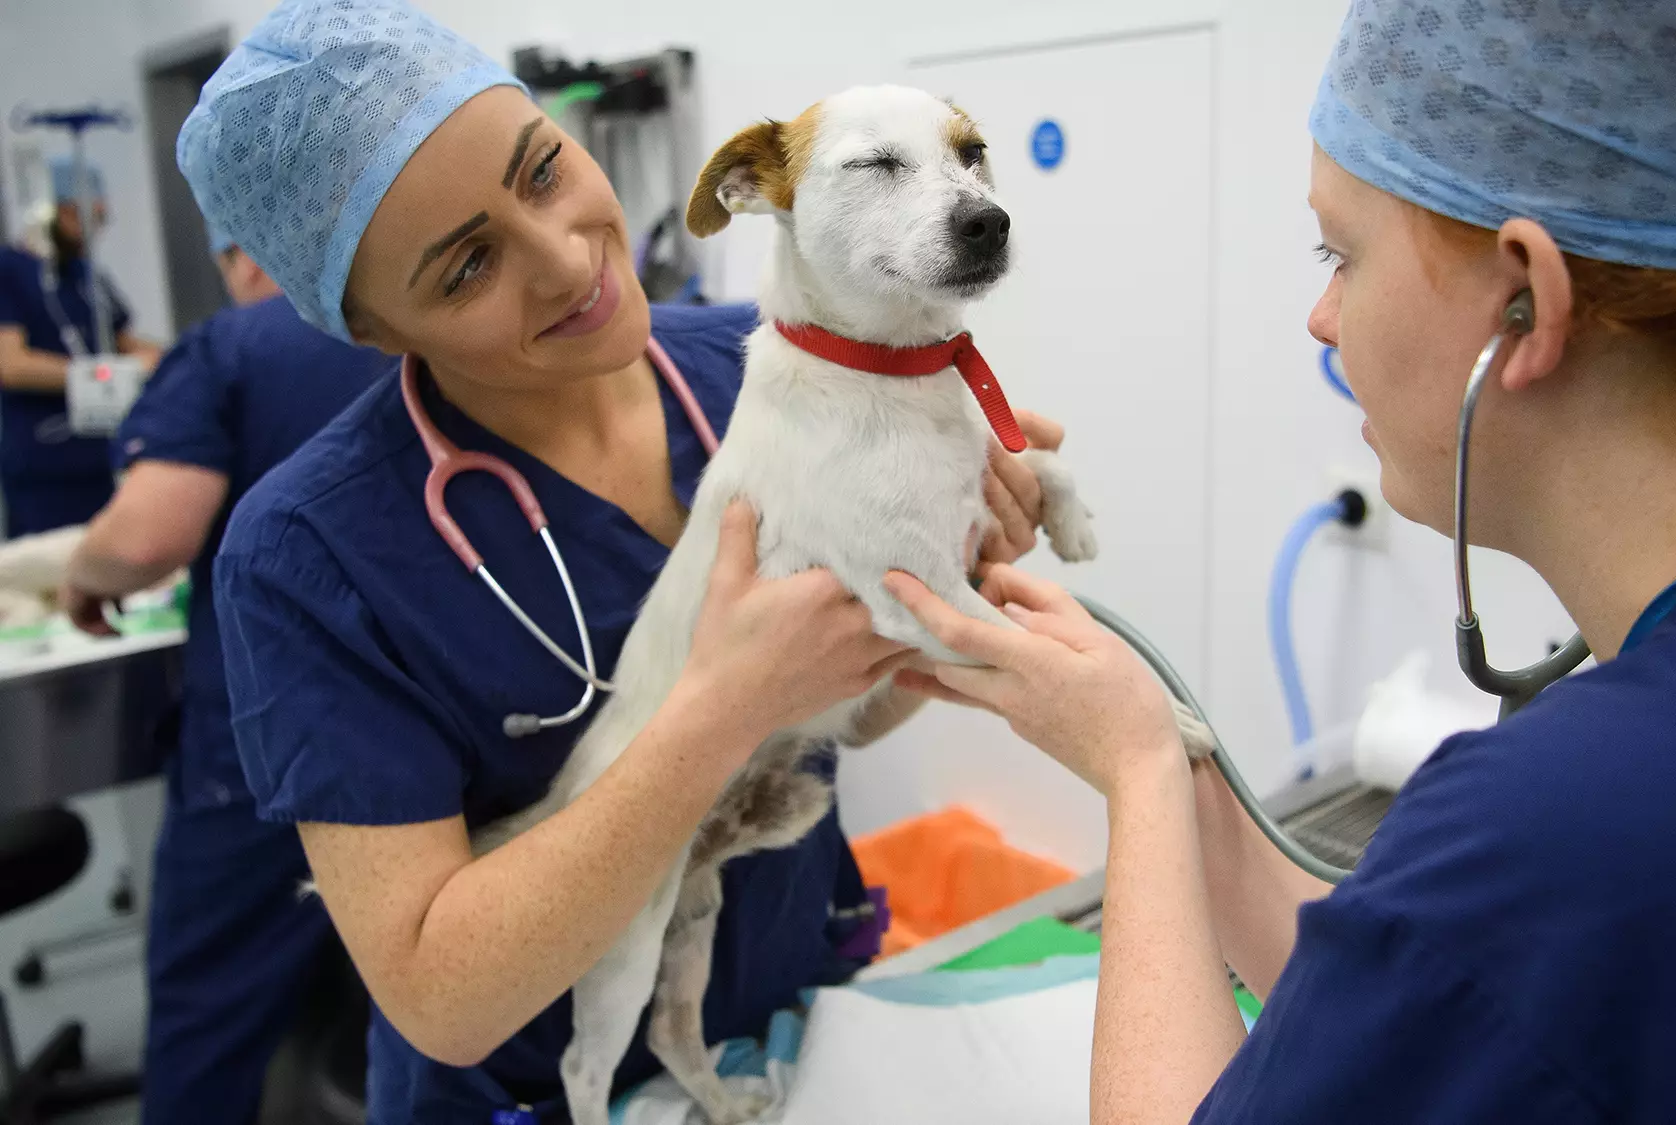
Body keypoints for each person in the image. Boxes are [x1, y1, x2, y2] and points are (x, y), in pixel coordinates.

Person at [887, 1, 1676, 1122]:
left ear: (1529, 296)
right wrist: (1156, 749)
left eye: (1341, 253)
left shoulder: (1564, 830)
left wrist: (1133, 782)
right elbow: (1425, 1008)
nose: (1322, 319)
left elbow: (1474, 950)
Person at [175, 1, 1064, 1119]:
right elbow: (438, 993)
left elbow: (840, 705)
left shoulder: (764, 366)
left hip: (792, 1035)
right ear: (371, 328)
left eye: (543, 170)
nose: (564, 262)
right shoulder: (307, 559)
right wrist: (721, 706)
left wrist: (955, 569)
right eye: (466, 268)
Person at [60, 220, 392, 1125]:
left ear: (243, 255)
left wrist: (80, 579)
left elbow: (146, 537)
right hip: (432, 719)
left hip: (272, 738)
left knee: (213, 1001)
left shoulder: (227, 349)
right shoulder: (414, 327)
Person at [0, 154, 161, 536]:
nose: (92, 230)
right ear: (52, 213)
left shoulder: (86, 275)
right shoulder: (12, 270)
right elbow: (11, 364)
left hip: (103, 460)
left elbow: (124, 342)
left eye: (100, 219)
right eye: (83, 217)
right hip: (45, 470)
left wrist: (181, 356)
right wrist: (99, 376)